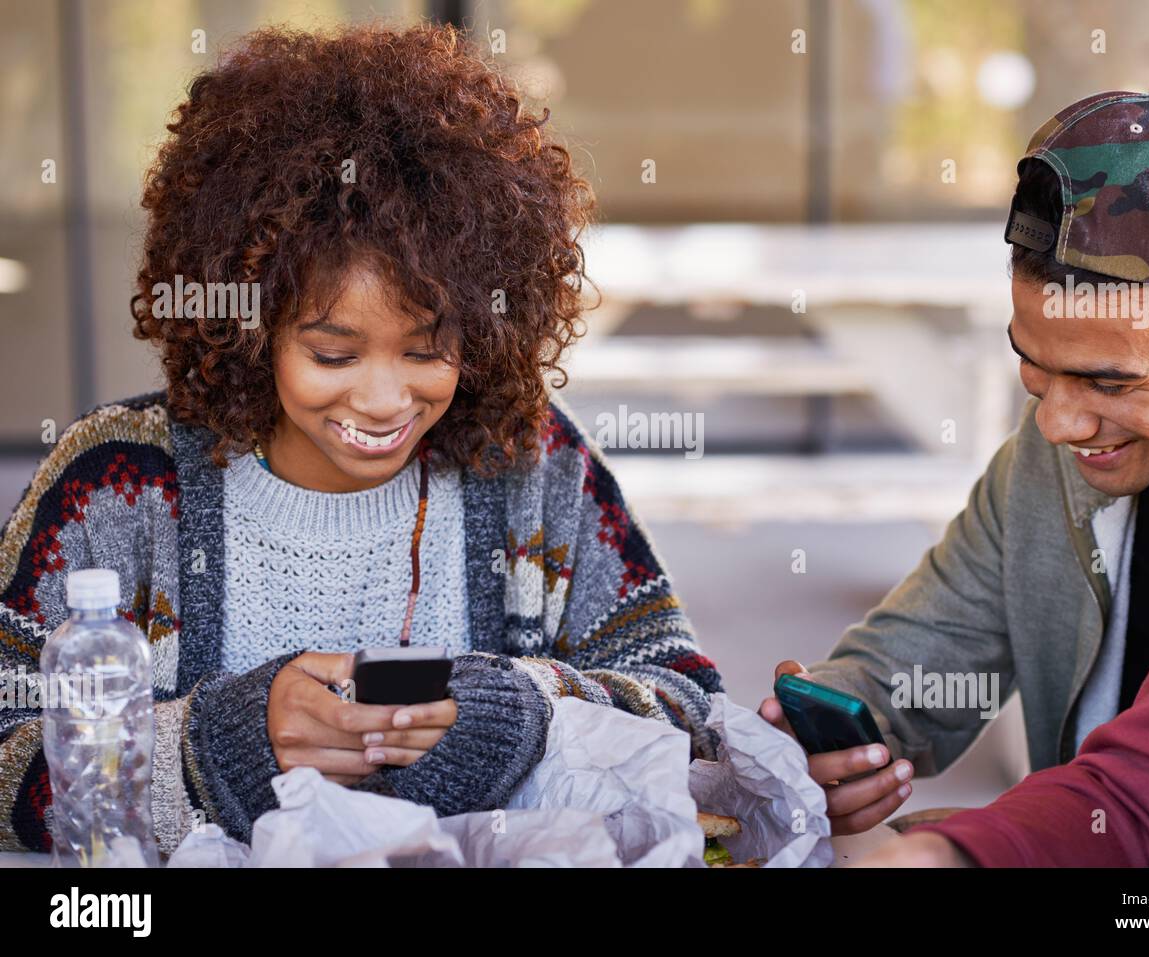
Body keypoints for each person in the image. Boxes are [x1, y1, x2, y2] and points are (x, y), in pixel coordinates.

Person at [0, 23, 722, 858]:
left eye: (427, 349)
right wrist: (213, 750)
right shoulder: (116, 485)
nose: (384, 402)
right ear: (251, 325)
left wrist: (519, 708)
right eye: (332, 352)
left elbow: (696, 718)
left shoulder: (532, 467)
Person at [759, 89, 1149, 855]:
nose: (1057, 424)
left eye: (1110, 382)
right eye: (1033, 364)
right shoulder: (1061, 457)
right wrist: (825, 732)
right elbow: (923, 655)